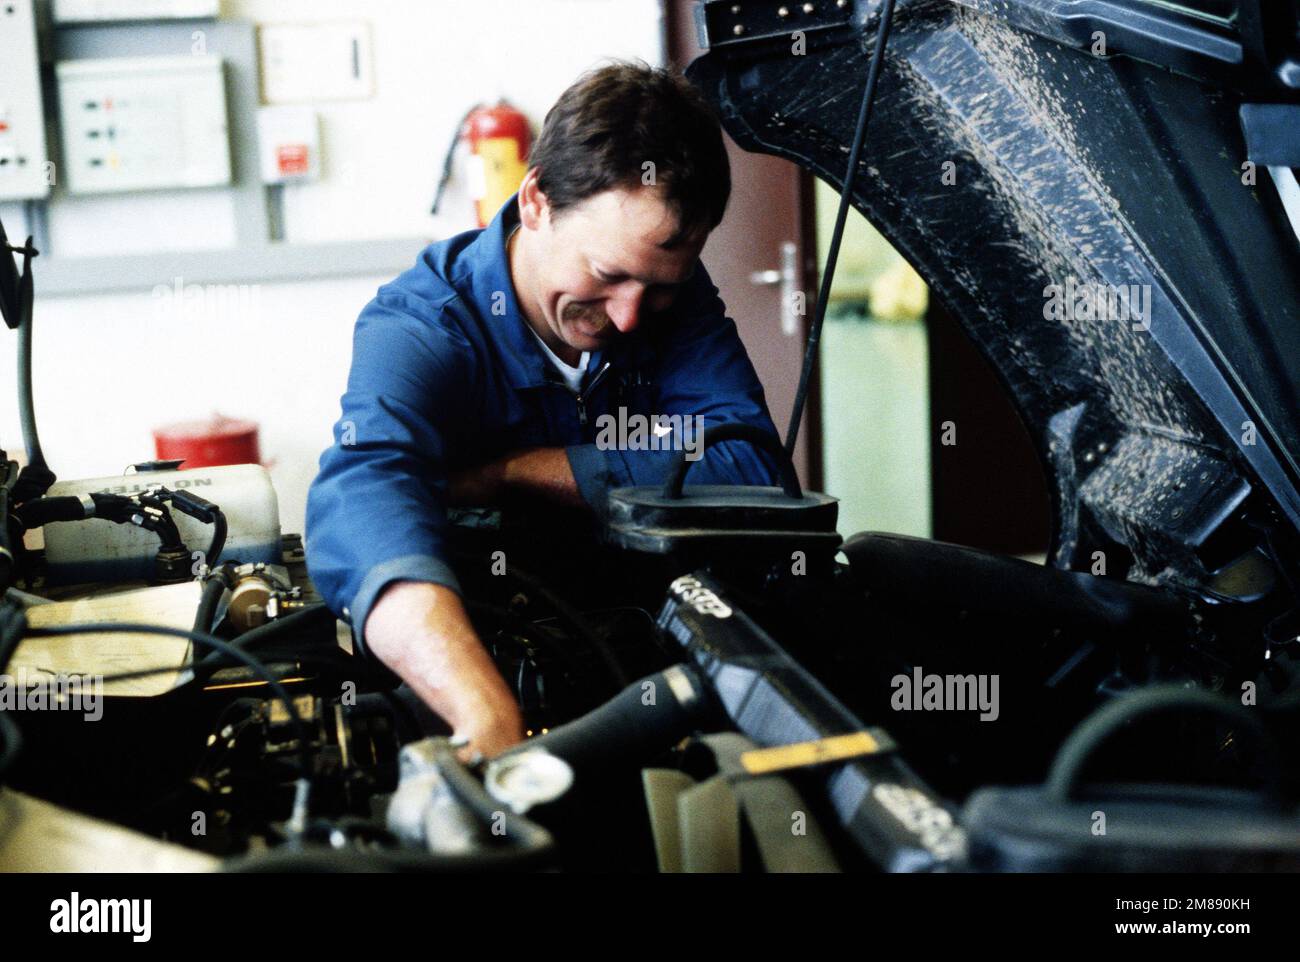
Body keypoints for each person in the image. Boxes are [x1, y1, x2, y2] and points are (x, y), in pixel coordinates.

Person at [306, 61, 782, 759]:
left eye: (657, 290)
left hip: (650, 674)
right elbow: (363, 497)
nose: (627, 317)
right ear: (535, 202)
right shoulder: (423, 327)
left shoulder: (669, 296)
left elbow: (752, 469)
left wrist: (516, 472)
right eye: (606, 274)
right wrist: (482, 709)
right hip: (482, 671)